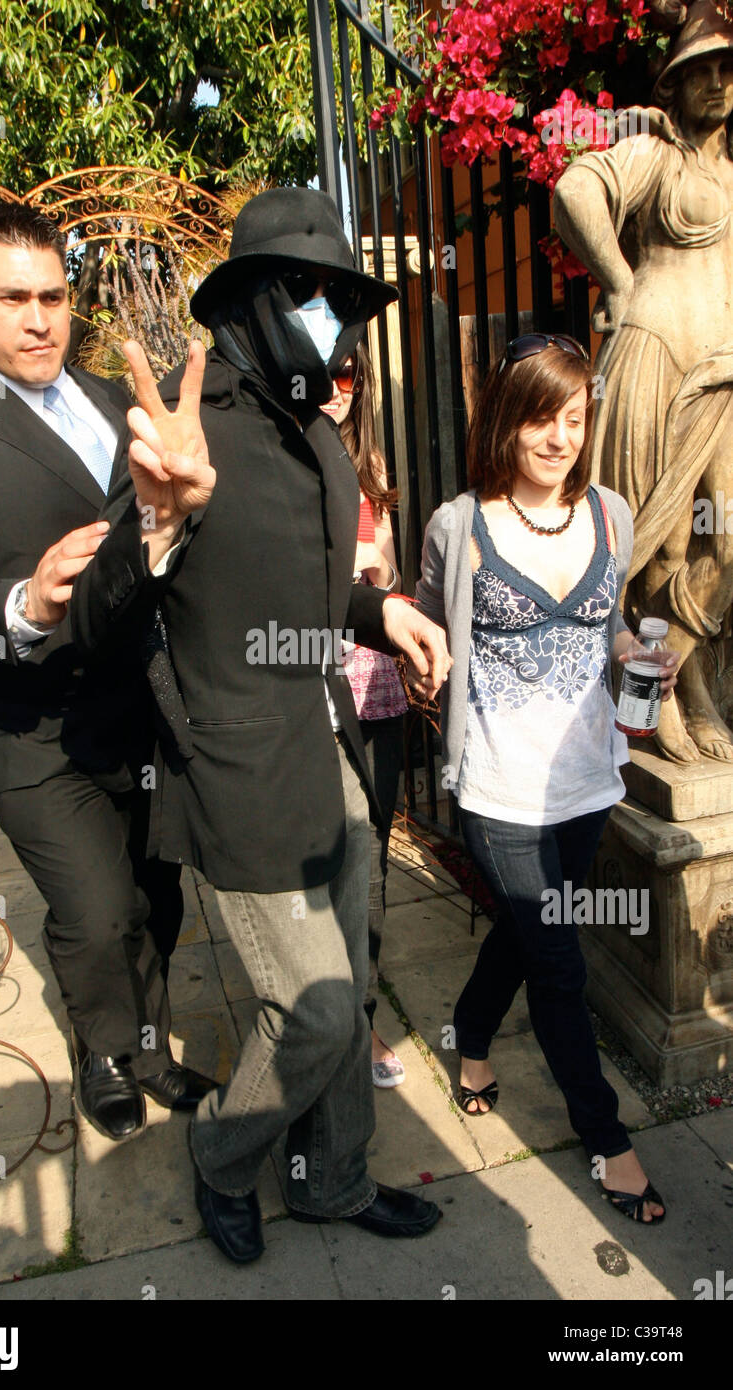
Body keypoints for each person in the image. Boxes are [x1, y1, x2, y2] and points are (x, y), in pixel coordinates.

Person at [68, 185, 452, 1263]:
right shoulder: (187, 437)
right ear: (247, 301)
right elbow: (100, 614)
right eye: (307, 290)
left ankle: (330, 1180)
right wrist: (156, 521)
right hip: (234, 777)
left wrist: (390, 613)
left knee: (349, 977)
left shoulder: (313, 431)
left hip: (325, 747)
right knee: (313, 1014)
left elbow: (314, 589)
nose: (329, 314)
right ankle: (224, 1158)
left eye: (341, 295)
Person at [0, 201, 215, 1145]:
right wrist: (26, 603)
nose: (38, 318)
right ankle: (101, 1053)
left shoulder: (117, 401)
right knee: (96, 911)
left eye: (53, 296)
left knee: (154, 896)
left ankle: (149, 1050)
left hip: (138, 712)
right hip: (26, 727)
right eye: (12, 297)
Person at [415, 333, 678, 1224]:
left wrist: (643, 655)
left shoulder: (610, 512)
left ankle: (473, 1036)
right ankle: (607, 1140)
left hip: (588, 779)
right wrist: (426, 662)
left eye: (575, 418)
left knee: (534, 933)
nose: (560, 437)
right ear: (507, 419)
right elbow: (426, 623)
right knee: (562, 964)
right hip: (498, 787)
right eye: (541, 417)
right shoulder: (460, 524)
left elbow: (608, 626)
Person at [554, 0, 733, 764]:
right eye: (701, 72)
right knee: (651, 545)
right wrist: (619, 282)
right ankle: (660, 702)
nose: (719, 84)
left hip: (724, 372)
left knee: (722, 541)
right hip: (655, 354)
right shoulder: (656, 154)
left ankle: (683, 681)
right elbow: (572, 191)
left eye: (729, 68)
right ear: (675, 84)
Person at [320, 343, 408, 1087]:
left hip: (372, 689)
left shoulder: (370, 472)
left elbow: (391, 587)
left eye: (348, 373)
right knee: (313, 868)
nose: (334, 389)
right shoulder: (269, 467)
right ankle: (315, 1022)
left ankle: (365, 1023)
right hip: (304, 696)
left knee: (370, 858)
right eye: (320, 373)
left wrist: (383, 577)